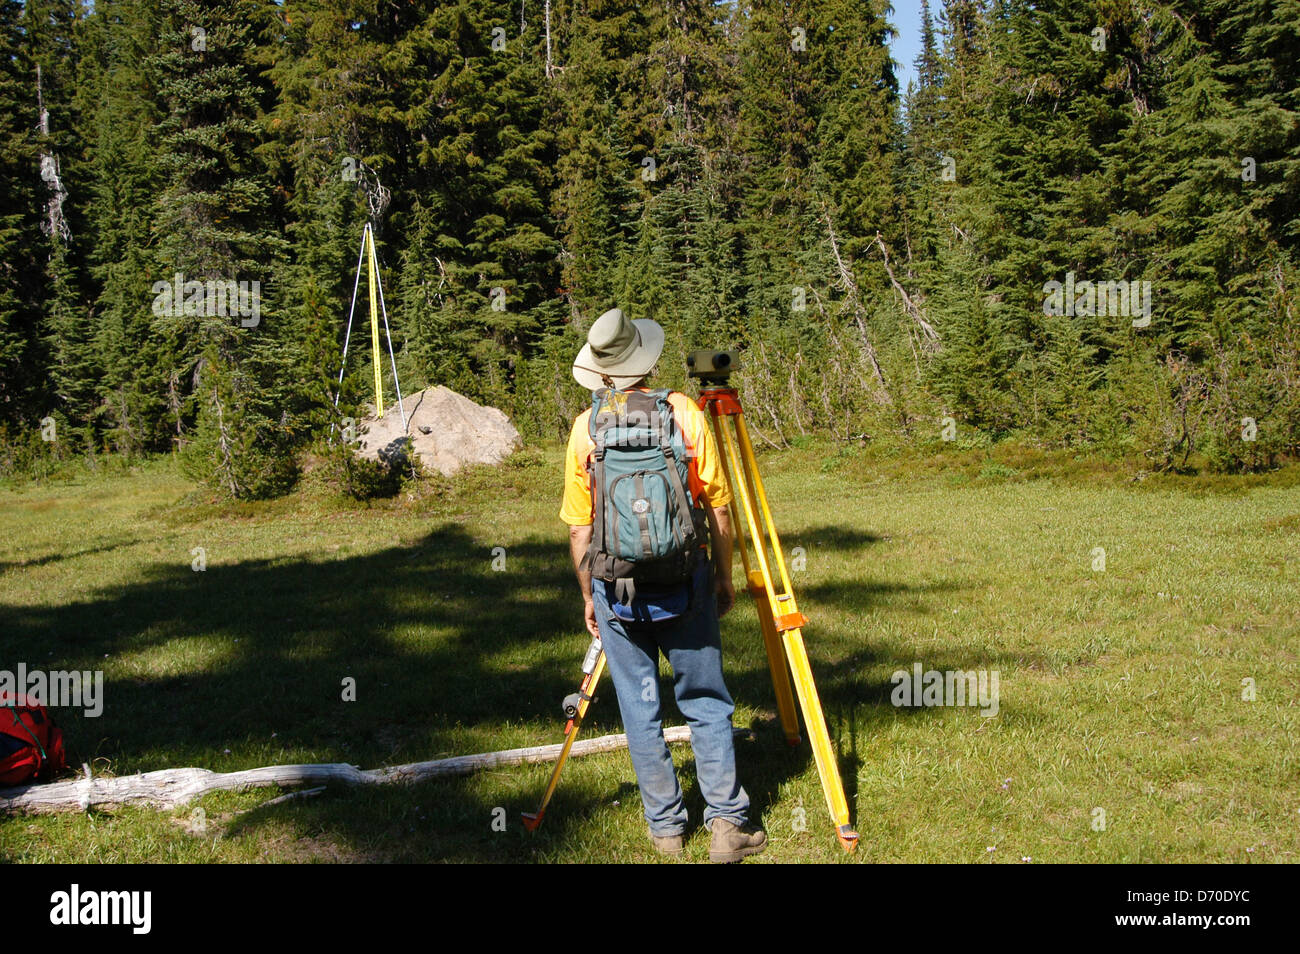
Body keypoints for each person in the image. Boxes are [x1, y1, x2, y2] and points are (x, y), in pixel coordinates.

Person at [559, 307, 766, 862]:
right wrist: (722, 576)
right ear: (643, 361)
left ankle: (666, 829)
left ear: (602, 372)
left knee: (640, 706)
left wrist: (589, 598)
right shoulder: (687, 414)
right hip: (684, 579)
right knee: (704, 701)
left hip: (616, 591)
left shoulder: (585, 429)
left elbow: (581, 529)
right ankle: (727, 825)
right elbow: (718, 509)